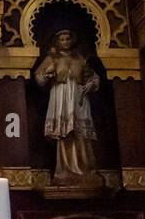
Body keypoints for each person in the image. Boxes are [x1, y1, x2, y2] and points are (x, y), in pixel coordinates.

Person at [34, 29, 100, 186]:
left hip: (78, 96)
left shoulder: (80, 58)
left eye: (67, 39)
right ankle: (63, 170)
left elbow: (94, 77)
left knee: (81, 133)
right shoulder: (52, 57)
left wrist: (90, 85)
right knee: (64, 132)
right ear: (57, 42)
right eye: (61, 39)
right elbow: (39, 77)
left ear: (72, 40)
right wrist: (47, 74)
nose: (65, 42)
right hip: (60, 96)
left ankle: (85, 169)